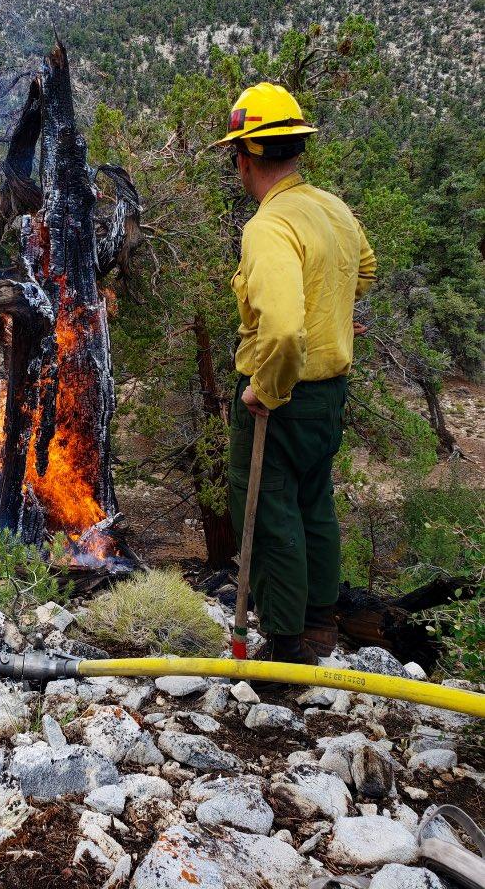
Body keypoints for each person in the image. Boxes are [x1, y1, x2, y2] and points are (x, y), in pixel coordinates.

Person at [213, 82, 376, 690]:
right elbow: (365, 269)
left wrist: (265, 389)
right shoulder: (333, 208)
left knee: (267, 510)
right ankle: (318, 625)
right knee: (313, 501)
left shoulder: (269, 226)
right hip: (329, 393)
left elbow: (281, 332)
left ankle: (284, 654)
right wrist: (333, 313)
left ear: (246, 157)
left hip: (282, 396)